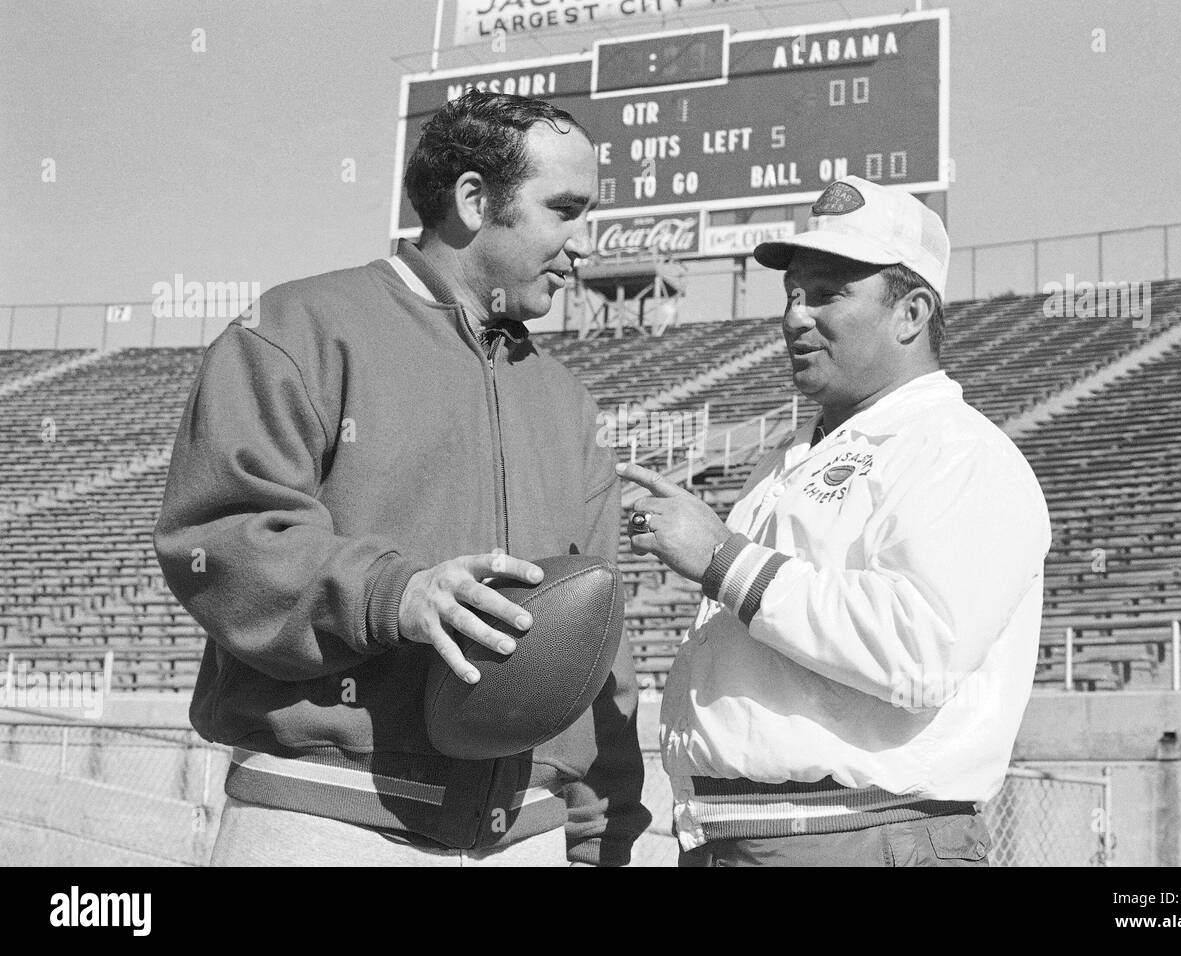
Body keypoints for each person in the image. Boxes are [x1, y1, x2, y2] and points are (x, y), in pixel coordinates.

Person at [155, 91, 648, 867]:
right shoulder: (298, 327)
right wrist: (395, 594)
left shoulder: (567, 401)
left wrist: (596, 836)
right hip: (325, 824)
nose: (583, 244)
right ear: (475, 200)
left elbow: (594, 641)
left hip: (529, 836)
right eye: (565, 210)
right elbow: (221, 538)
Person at [618, 176, 1051, 866]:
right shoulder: (790, 457)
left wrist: (724, 559)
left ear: (911, 313)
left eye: (827, 293)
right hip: (738, 834)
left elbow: (918, 656)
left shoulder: (960, 452)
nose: (794, 316)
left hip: (862, 835)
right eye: (791, 294)